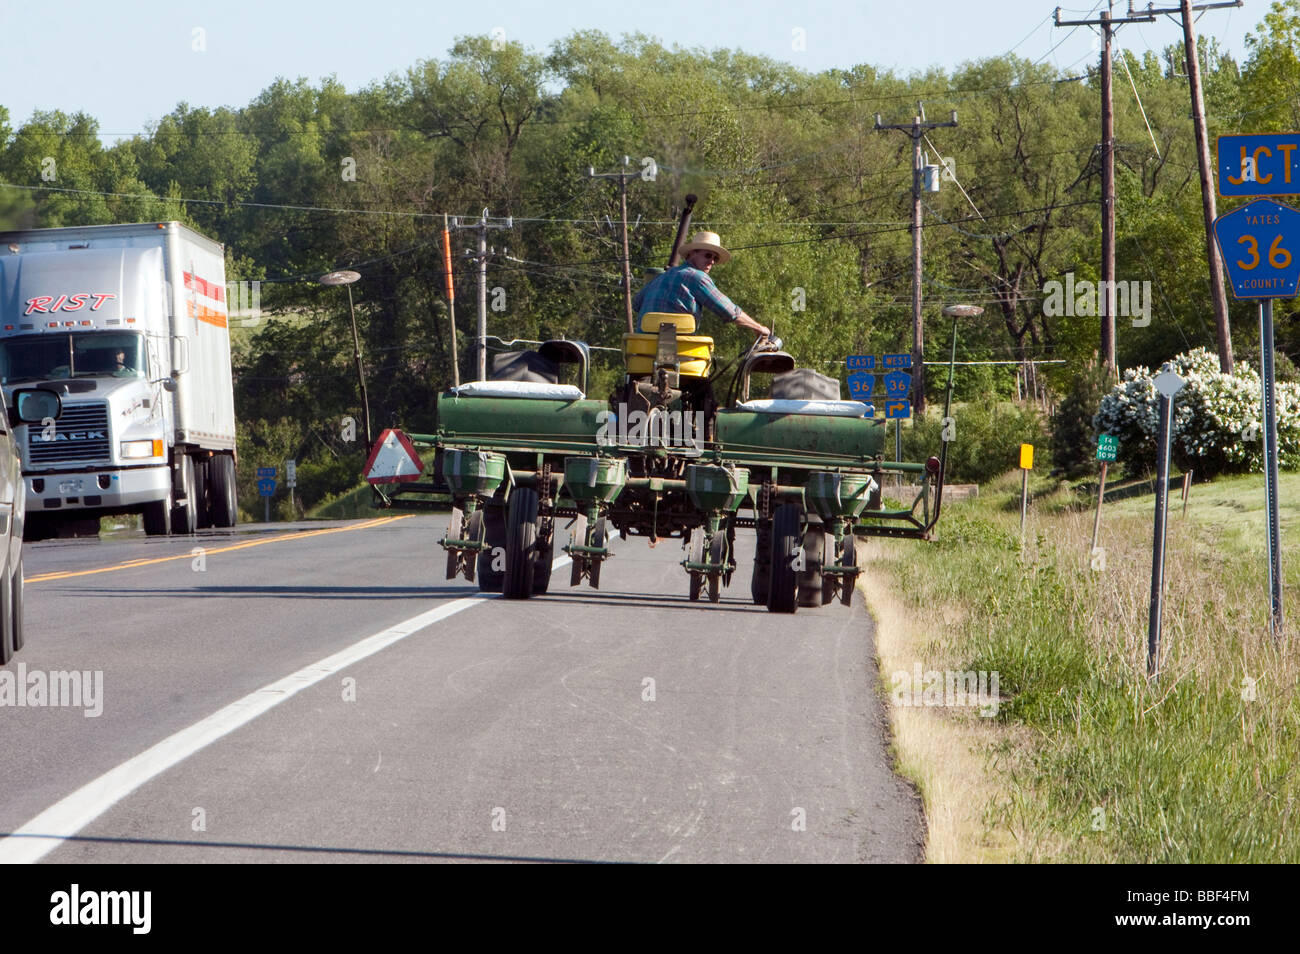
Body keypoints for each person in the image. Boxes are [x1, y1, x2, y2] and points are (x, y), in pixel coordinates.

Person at [633, 231, 770, 339]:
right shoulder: (697, 277)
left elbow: (636, 304)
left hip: (644, 351)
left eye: (715, 258)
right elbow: (728, 311)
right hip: (680, 354)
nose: (711, 261)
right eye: (708, 255)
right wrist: (758, 328)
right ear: (692, 253)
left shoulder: (661, 277)